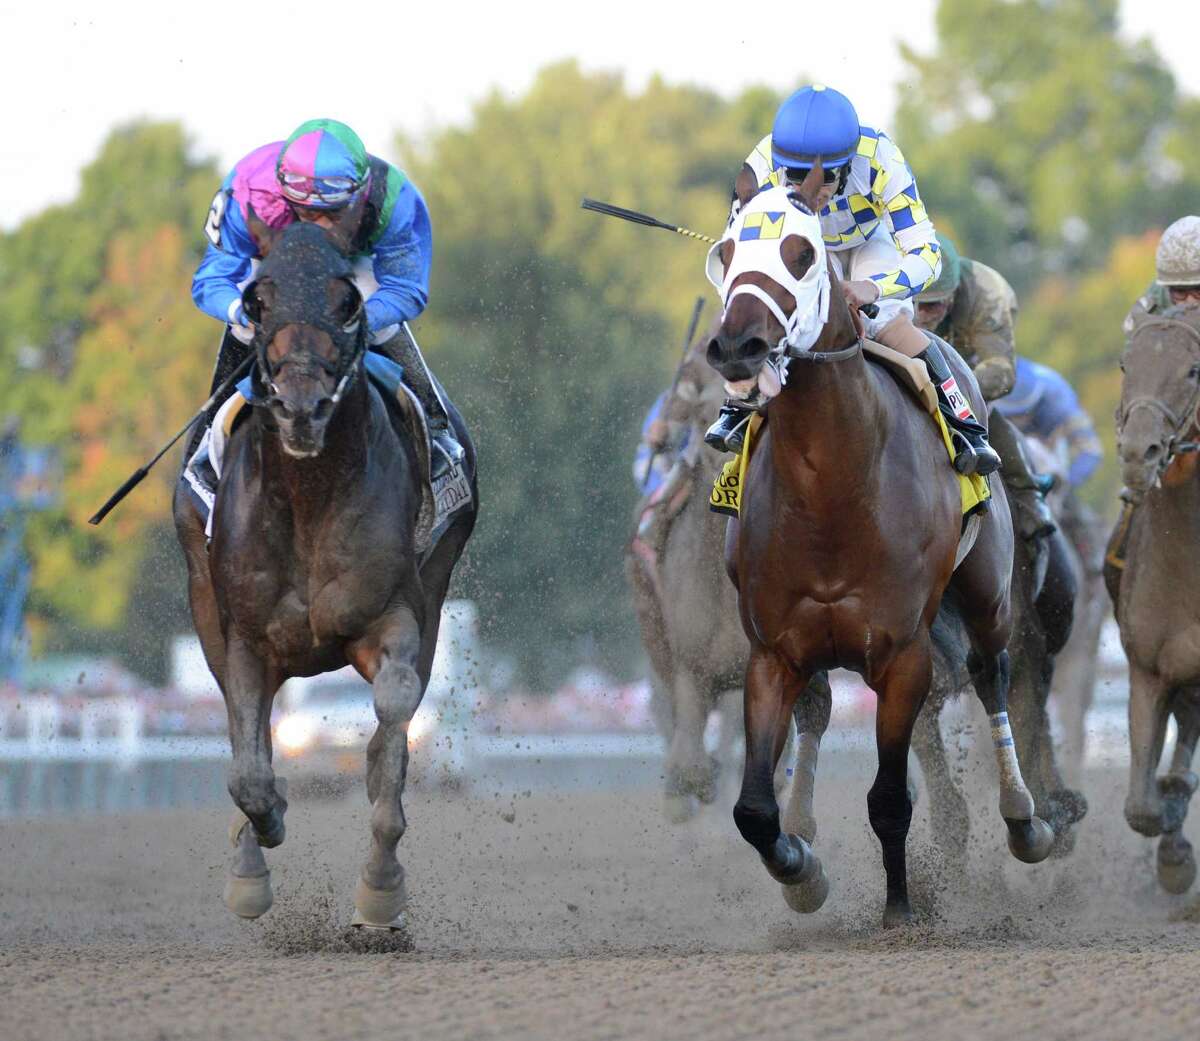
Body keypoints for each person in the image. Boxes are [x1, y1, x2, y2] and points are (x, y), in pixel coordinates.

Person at [705, 85, 1000, 478]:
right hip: (801, 249)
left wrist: (873, 288)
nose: (807, 188)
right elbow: (739, 261)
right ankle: (737, 408)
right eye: (792, 176)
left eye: (825, 178)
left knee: (888, 324)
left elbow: (926, 254)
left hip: (869, 244)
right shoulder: (761, 163)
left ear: (847, 164)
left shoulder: (880, 158)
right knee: (767, 314)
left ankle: (962, 426)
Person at [190, 118, 462, 477]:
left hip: (349, 266)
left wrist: (360, 318)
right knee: (245, 321)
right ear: (283, 193)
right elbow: (213, 279)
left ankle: (433, 426)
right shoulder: (246, 189)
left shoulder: (394, 198)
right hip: (273, 263)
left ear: (360, 193)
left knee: (376, 319)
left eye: (332, 213)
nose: (317, 226)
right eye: (304, 211)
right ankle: (209, 438)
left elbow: (406, 288)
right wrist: (243, 313)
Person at [913, 234, 1057, 539]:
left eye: (931, 307)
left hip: (966, 361)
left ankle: (1027, 494)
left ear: (952, 297)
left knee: (982, 409)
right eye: (914, 305)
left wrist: (949, 391)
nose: (919, 316)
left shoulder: (987, 293)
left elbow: (1001, 371)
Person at [1123, 215, 1200, 333]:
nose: (1189, 302)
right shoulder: (1156, 298)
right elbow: (1134, 341)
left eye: (1198, 291)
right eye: (1180, 292)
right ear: (1168, 287)